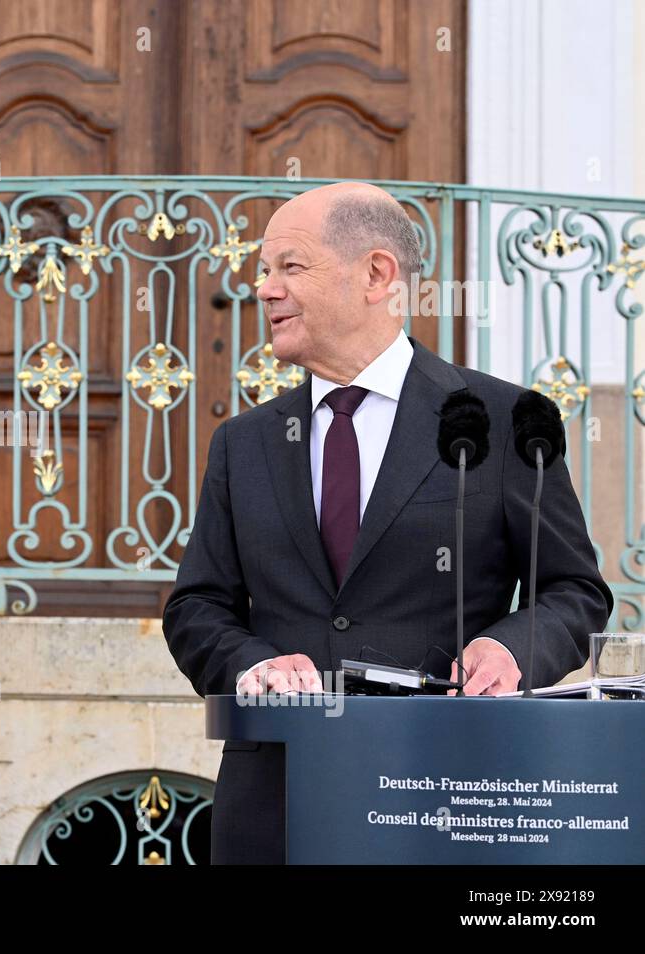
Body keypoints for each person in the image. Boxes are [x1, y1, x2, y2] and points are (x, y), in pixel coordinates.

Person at [162, 181, 612, 864]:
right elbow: (197, 607)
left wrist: (512, 650)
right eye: (263, 270)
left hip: (445, 795)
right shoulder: (243, 442)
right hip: (272, 810)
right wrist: (252, 662)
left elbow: (574, 592)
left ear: (376, 274)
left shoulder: (504, 420)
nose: (264, 289)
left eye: (289, 266)